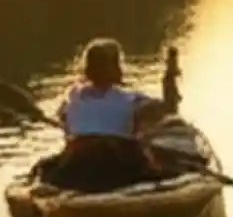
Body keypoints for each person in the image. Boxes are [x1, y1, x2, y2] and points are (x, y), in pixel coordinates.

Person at [39, 38, 163, 192]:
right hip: (118, 168)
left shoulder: (73, 96)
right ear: (116, 68)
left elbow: (65, 122)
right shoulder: (131, 99)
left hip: (77, 168)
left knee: (49, 166)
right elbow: (162, 110)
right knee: (149, 159)